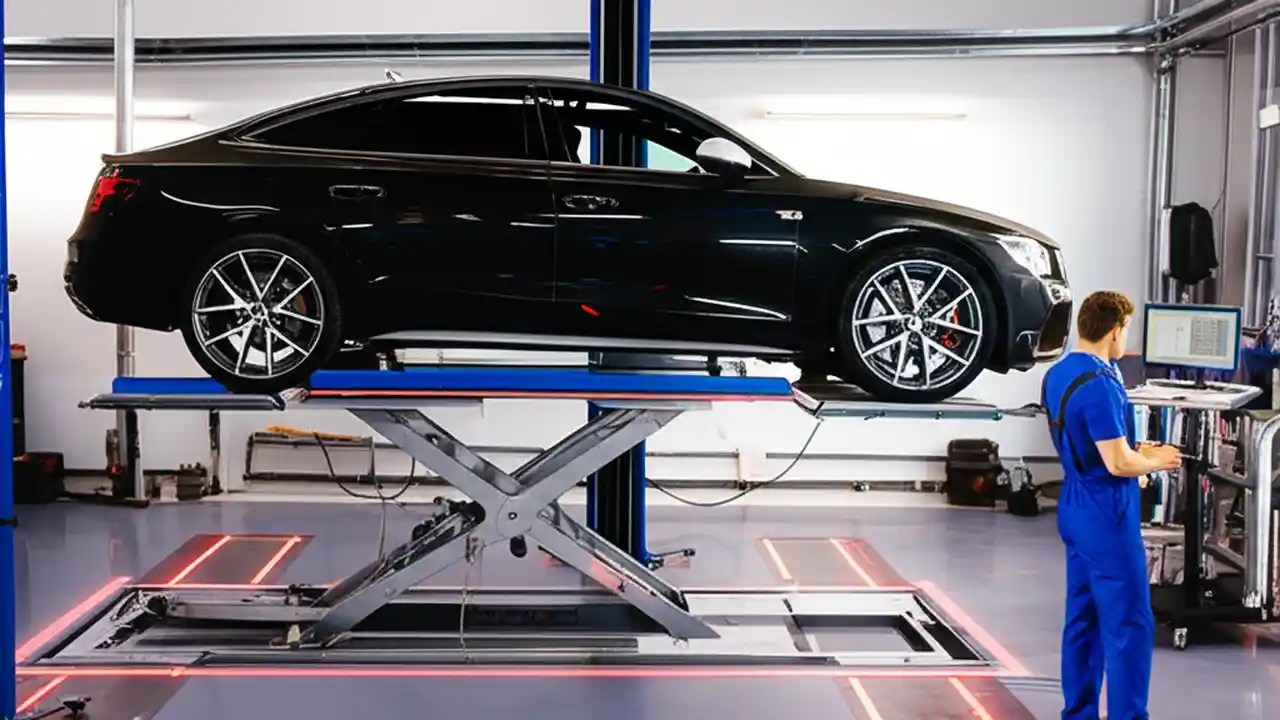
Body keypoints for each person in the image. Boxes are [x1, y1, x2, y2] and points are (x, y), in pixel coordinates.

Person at [1041, 291, 1182, 720]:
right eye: (1126, 331)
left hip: (1076, 504)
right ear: (1115, 328)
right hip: (1108, 514)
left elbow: (1091, 440)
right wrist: (1157, 459)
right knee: (1128, 626)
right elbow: (1118, 462)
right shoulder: (1101, 385)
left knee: (1082, 621)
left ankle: (1079, 713)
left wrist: (1137, 450)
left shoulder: (1059, 373)